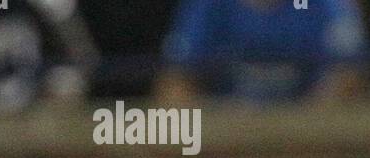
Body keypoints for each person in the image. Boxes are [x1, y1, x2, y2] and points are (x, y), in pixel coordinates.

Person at [156, 0, 367, 105]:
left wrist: (289, 131)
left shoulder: (326, 4)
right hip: (227, 147)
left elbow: (347, 79)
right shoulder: (209, 5)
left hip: (306, 145)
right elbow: (175, 84)